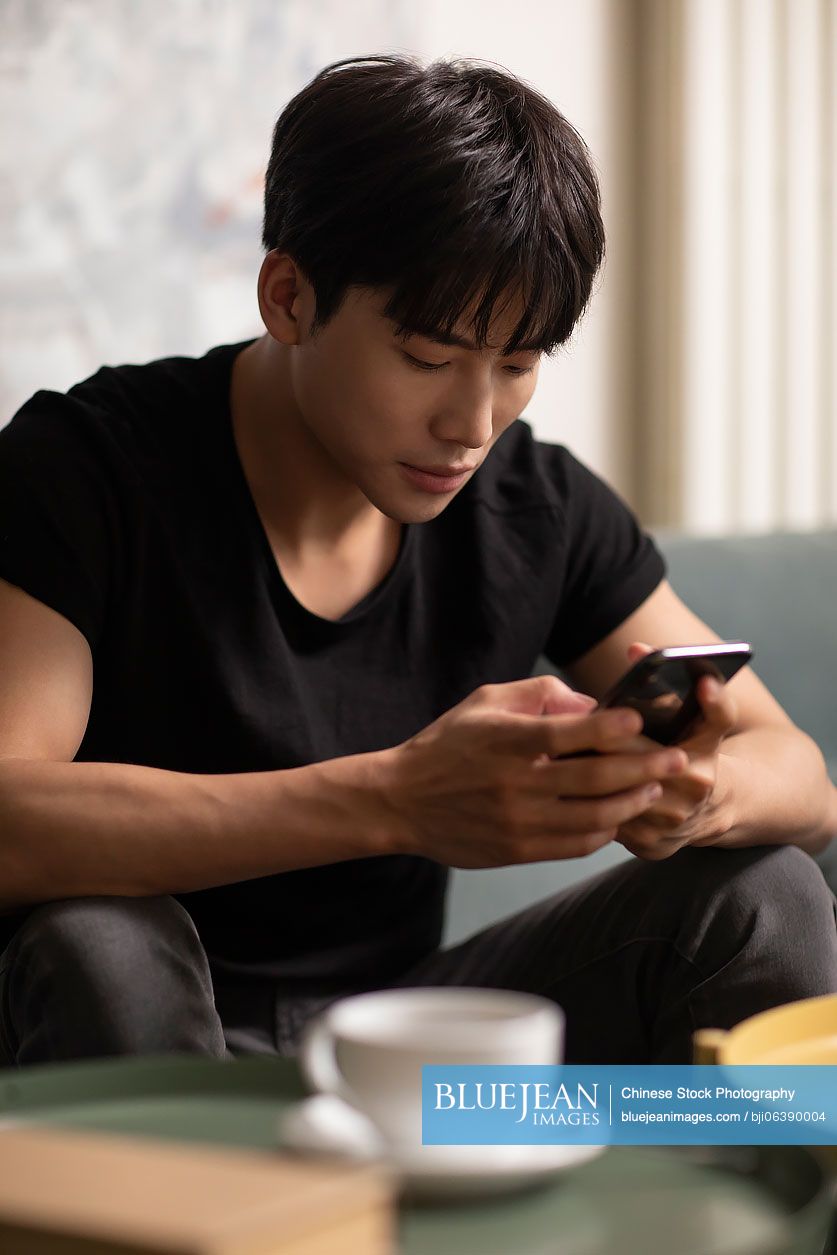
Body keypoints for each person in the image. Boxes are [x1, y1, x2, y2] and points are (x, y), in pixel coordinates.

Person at [0, 54, 835, 1069]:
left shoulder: (534, 507)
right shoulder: (87, 468)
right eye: (430, 359)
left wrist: (684, 792)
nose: (472, 423)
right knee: (98, 936)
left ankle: (741, 1221)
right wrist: (394, 797)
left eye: (519, 365)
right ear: (289, 295)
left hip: (404, 1060)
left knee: (764, 893)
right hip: (149, 1041)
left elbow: (800, 773)